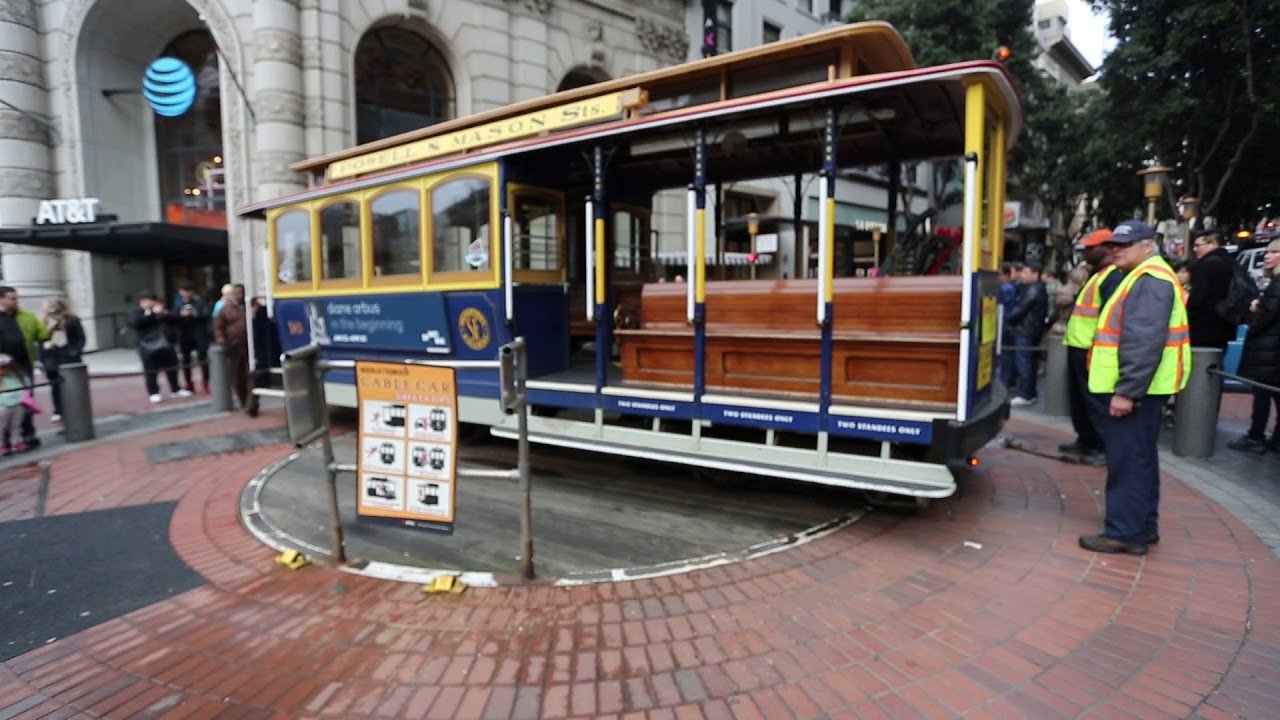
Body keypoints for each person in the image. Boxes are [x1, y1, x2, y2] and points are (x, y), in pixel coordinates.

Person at [1080, 221, 1190, 556]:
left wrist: (1127, 392)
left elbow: (1143, 341)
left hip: (1137, 391)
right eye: (1114, 244)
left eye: (1125, 244)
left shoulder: (1150, 280)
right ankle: (1141, 526)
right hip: (1147, 389)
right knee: (1140, 458)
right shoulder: (1148, 275)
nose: (1116, 249)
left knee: (1127, 460)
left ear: (1147, 245)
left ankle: (1124, 533)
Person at [1059, 229, 1123, 466]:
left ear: (1107, 247)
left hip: (1093, 349)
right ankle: (1086, 439)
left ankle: (1105, 448)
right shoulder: (1097, 275)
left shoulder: (1112, 276)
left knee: (1096, 401)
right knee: (1080, 400)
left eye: (1091, 247)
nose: (1086, 251)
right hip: (1079, 345)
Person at [1227, 239, 1280, 453]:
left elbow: (1269, 314)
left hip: (1269, 348)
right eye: (1267, 252)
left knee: (1262, 394)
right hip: (1272, 348)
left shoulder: (1277, 283)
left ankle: (1255, 436)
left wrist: (1256, 310)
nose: (1267, 256)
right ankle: (1274, 437)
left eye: (1274, 252)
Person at [0, 285, 50, 449]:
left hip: (23, 366)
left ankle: (26, 435)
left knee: (25, 401)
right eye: (12, 298)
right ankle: (4, 440)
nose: (17, 301)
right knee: (5, 405)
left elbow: (42, 335)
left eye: (17, 298)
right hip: (2, 369)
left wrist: (49, 323)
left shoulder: (27, 317)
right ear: (2, 299)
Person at [129, 290, 187, 403]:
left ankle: (175, 388)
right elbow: (136, 323)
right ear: (142, 302)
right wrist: (152, 314)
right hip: (147, 345)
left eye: (152, 300)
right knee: (151, 369)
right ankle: (153, 392)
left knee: (172, 366)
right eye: (148, 300)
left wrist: (165, 313)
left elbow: (176, 320)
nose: (151, 303)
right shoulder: (137, 313)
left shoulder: (161, 312)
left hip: (166, 343)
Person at [1187, 229, 1238, 350]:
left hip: (1204, 329)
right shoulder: (1231, 261)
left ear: (1214, 244)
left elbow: (1197, 299)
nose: (1195, 249)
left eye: (1198, 245)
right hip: (1227, 324)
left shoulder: (1207, 265)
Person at [1006, 261, 1048, 406]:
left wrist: (1009, 320)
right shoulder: (1033, 288)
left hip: (1025, 330)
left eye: (1025, 272)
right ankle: (1028, 392)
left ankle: (1026, 393)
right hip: (1030, 329)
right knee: (1028, 361)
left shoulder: (1033, 290)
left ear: (1035, 274)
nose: (1022, 275)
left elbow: (1022, 308)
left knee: (1024, 362)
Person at [214, 283, 259, 417]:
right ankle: (243, 400)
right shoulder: (226, 309)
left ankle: (252, 404)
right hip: (234, 347)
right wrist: (222, 340)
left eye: (242, 292)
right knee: (237, 376)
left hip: (251, 347)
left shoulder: (252, 306)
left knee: (252, 375)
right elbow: (218, 327)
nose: (240, 295)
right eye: (237, 293)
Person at [38, 298, 86, 424]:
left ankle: (75, 410)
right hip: (51, 356)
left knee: (72, 385)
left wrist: (74, 351)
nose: (44, 309)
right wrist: (41, 359)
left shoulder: (72, 320)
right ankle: (58, 410)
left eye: (46, 306)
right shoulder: (43, 322)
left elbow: (80, 338)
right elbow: (39, 341)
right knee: (55, 385)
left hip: (68, 355)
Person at [171, 280, 212, 394]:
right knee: (186, 360)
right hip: (184, 336)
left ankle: (205, 383)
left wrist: (194, 313)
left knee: (203, 360)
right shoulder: (177, 305)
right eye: (184, 291)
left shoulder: (200, 303)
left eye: (189, 291)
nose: (187, 293)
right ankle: (189, 384)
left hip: (199, 335)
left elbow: (206, 316)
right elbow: (172, 319)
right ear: (180, 292)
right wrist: (181, 315)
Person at [0, 353, 30, 456]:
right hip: (3, 405)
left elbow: (24, 384)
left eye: (5, 367)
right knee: (1, 426)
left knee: (16, 424)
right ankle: (1, 445)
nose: (3, 371)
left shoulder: (15, 376)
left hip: (18, 402)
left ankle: (16, 441)